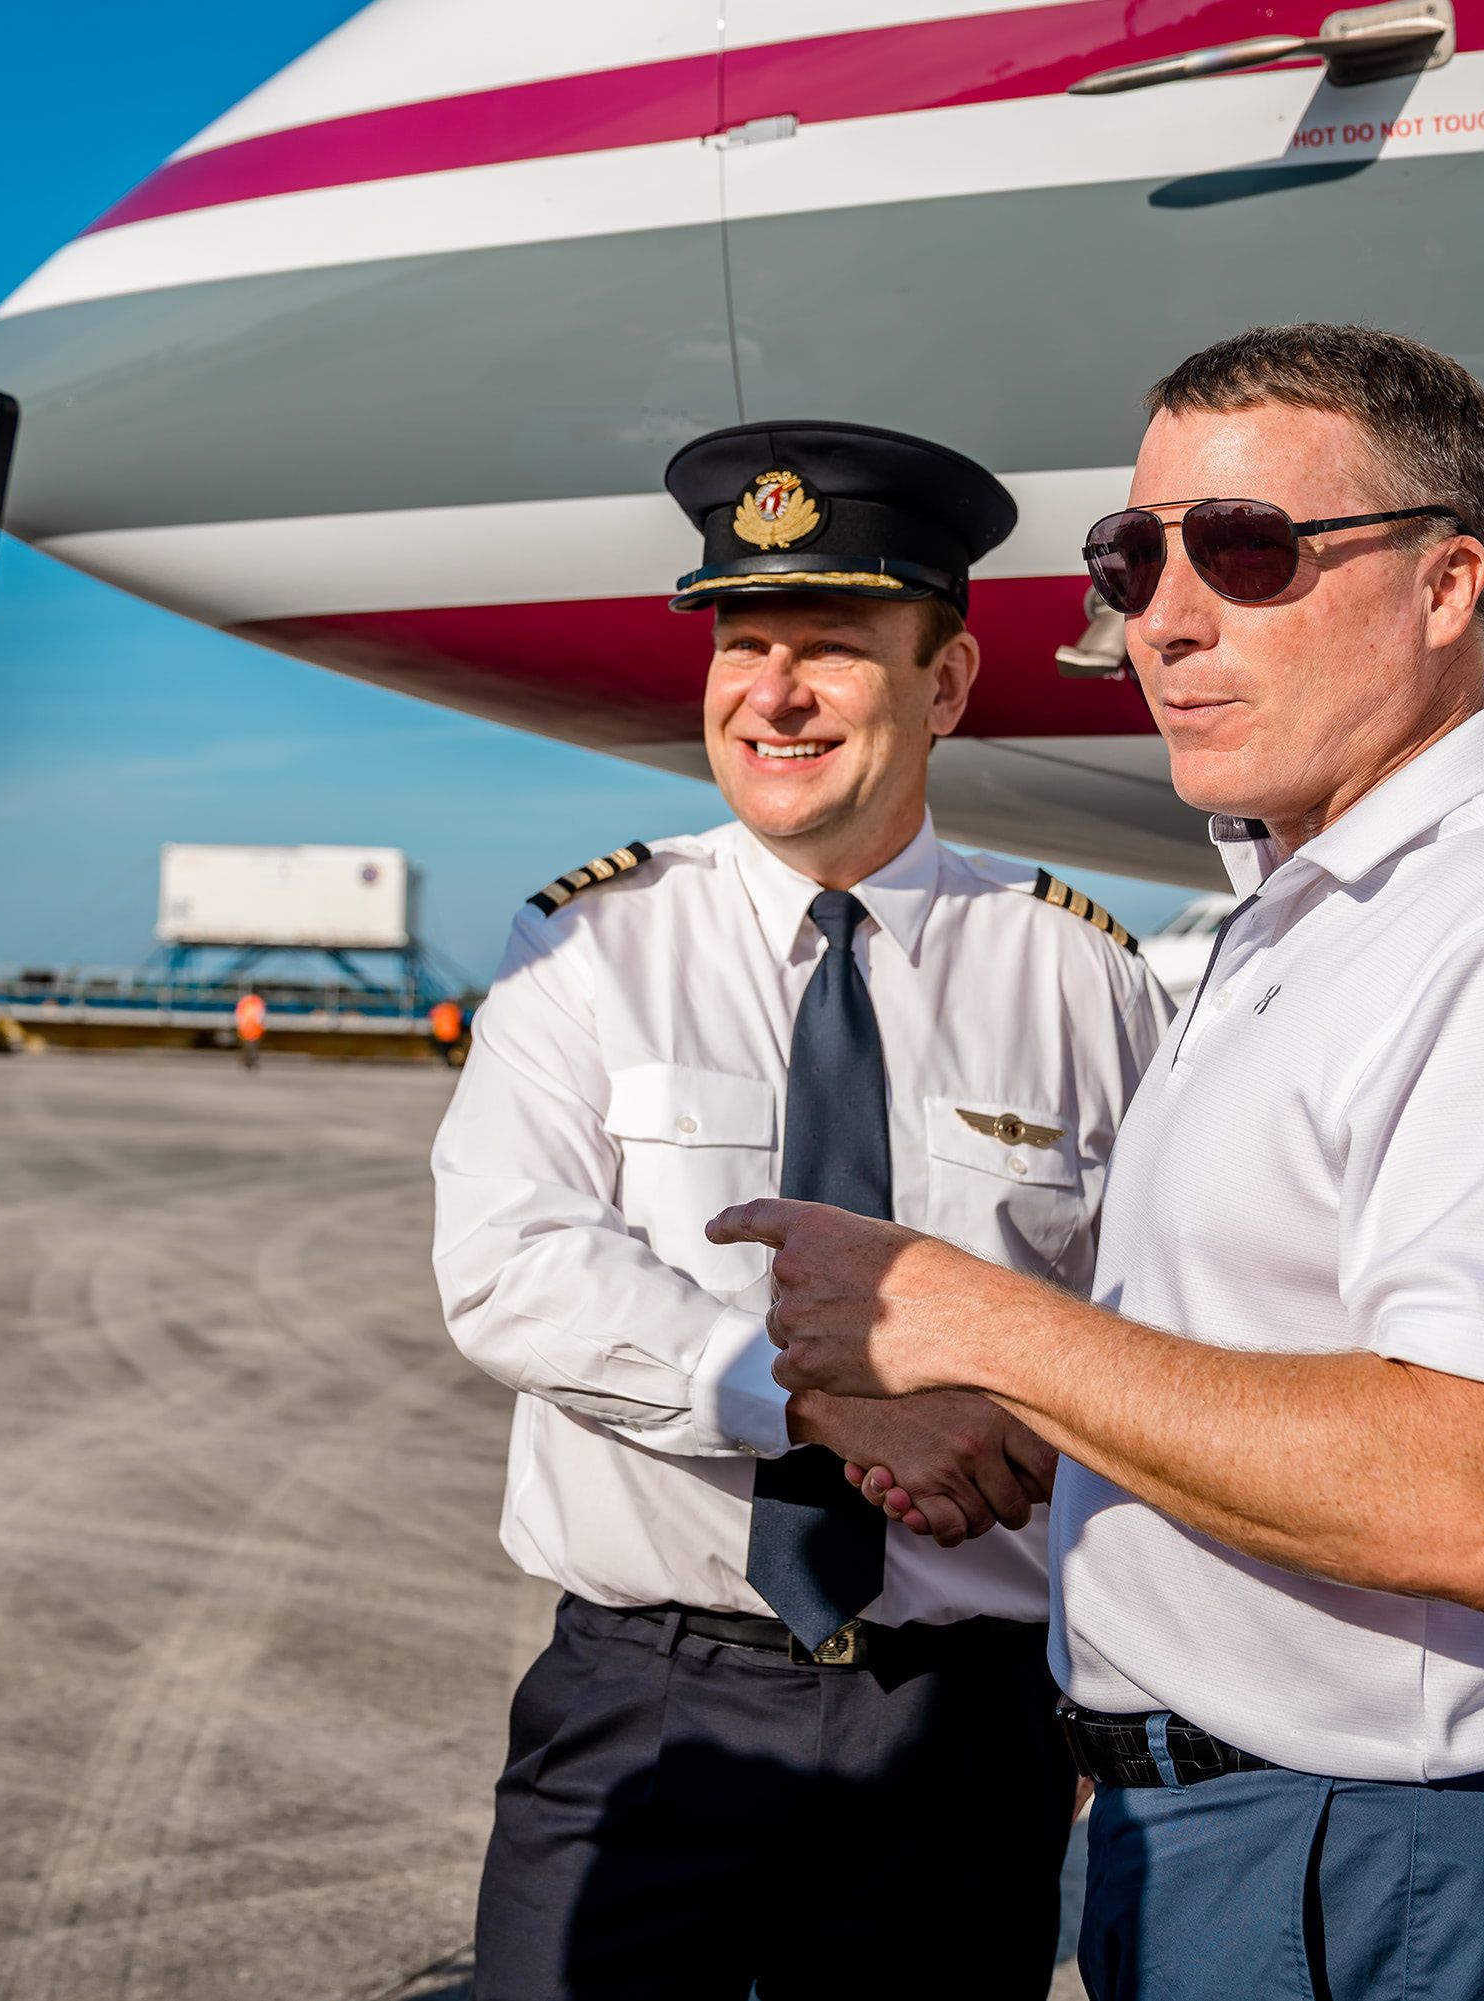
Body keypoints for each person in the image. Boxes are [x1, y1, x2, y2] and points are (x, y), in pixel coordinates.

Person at [714, 327, 1484, 2000]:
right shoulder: (1316, 905)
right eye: (1135, 554)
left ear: (1445, 581)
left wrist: (970, 1323)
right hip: (1221, 1843)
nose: (1161, 618)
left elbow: (1467, 1491)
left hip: (1380, 1870)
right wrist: (1042, 1431)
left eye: (1249, 550)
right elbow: (1268, 1379)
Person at [432, 420, 1172, 1999]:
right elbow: (509, 1261)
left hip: (962, 1725)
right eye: (742, 643)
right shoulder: (588, 944)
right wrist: (826, 1407)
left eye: (831, 648)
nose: (771, 693)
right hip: (649, 1698)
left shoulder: (1082, 977)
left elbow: (1154, 1338)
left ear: (950, 685)